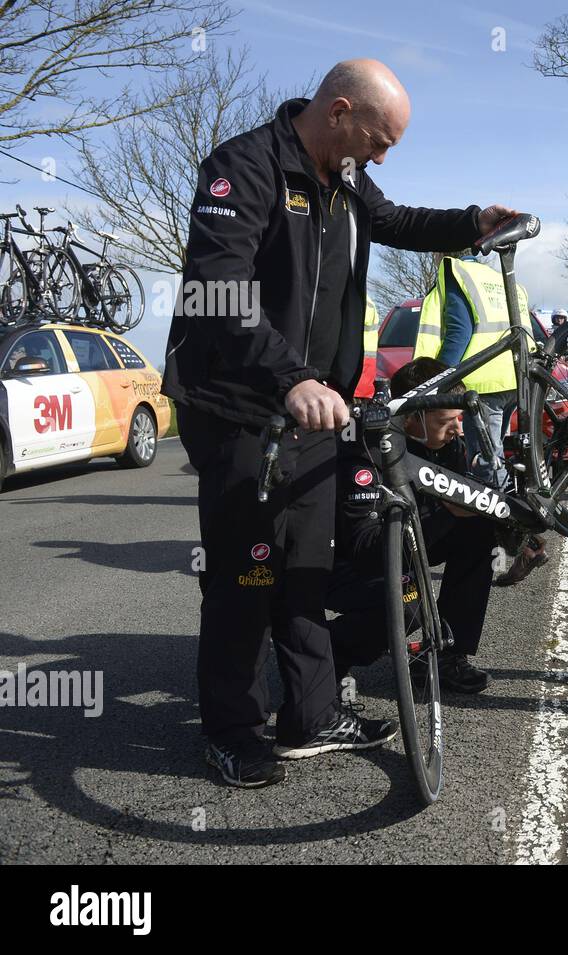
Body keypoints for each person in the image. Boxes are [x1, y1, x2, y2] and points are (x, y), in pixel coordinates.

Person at [162, 57, 518, 787]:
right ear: (340, 111)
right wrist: (288, 376)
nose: (384, 156)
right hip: (239, 405)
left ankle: (313, 714)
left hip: (315, 406)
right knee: (246, 572)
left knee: (306, 565)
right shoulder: (243, 167)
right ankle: (231, 729)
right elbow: (216, 290)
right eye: (380, 139)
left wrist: (471, 225)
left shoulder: (347, 176)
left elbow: (396, 221)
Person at [327, 357, 497, 694]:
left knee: (479, 530)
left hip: (406, 536)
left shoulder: (448, 443)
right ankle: (324, 657)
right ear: (413, 415)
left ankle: (447, 658)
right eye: (447, 421)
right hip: (343, 560)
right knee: (411, 602)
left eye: (460, 419)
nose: (458, 430)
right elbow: (365, 550)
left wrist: (515, 539)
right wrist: (447, 515)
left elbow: (455, 512)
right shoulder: (365, 449)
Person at [411, 254, 549, 585]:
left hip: (482, 381)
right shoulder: (495, 279)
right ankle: (521, 542)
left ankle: (527, 544)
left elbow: (459, 332)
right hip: (514, 377)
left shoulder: (455, 273)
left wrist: (437, 385)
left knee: (486, 467)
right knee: (492, 461)